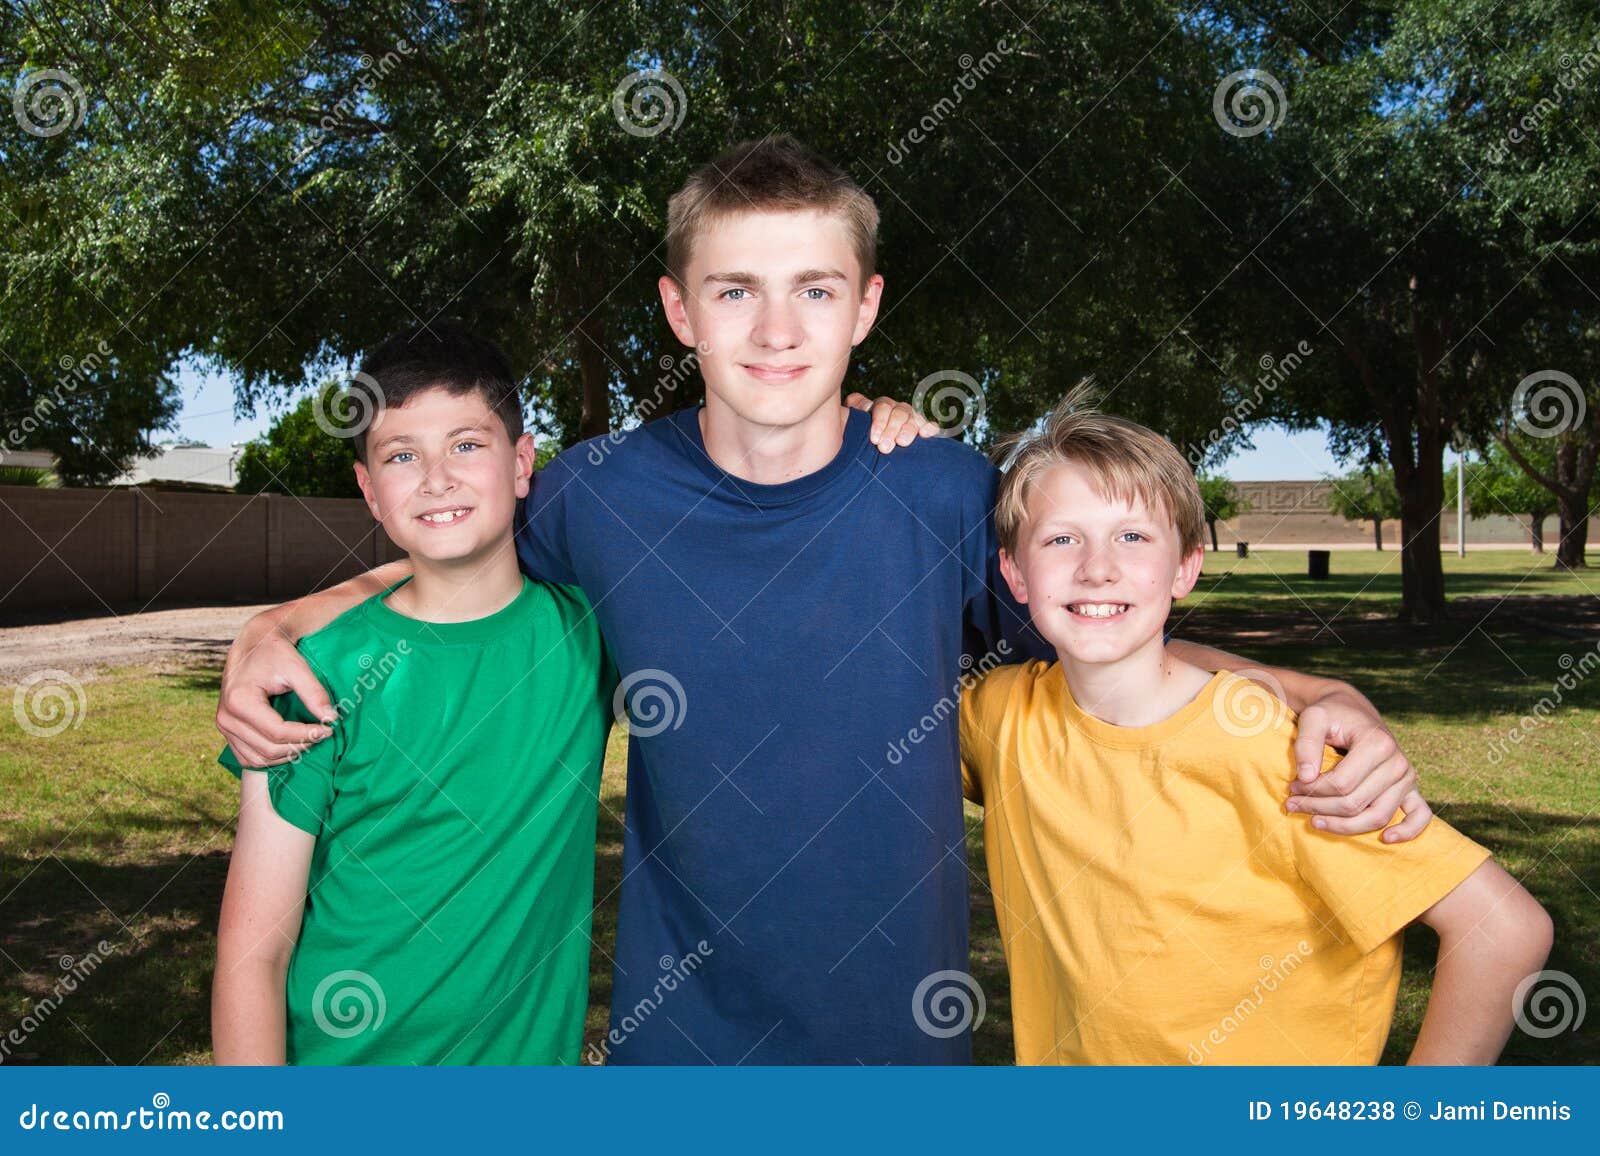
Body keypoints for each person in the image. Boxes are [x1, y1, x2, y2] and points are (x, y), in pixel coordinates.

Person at [217, 136, 1433, 1065]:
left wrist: (1319, 687)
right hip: (675, 1045)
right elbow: (453, 540)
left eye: (814, 289)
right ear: (679, 311)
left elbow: (1115, 649)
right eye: (735, 291)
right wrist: (284, 622)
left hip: (901, 1042)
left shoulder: (946, 491)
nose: (777, 328)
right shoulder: (600, 495)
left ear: (865, 306)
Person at [959, 388, 1553, 1064]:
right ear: (1014, 573)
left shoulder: (1275, 749)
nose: (1098, 567)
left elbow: (1501, 928)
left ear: (1185, 567)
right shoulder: (998, 715)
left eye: (1132, 536)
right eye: (1062, 538)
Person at [212, 326, 616, 1064]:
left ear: (523, 463)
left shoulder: (592, 634)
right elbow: (252, 956)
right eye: (402, 456)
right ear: (369, 490)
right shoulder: (312, 678)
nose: (436, 479)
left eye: (467, 444)